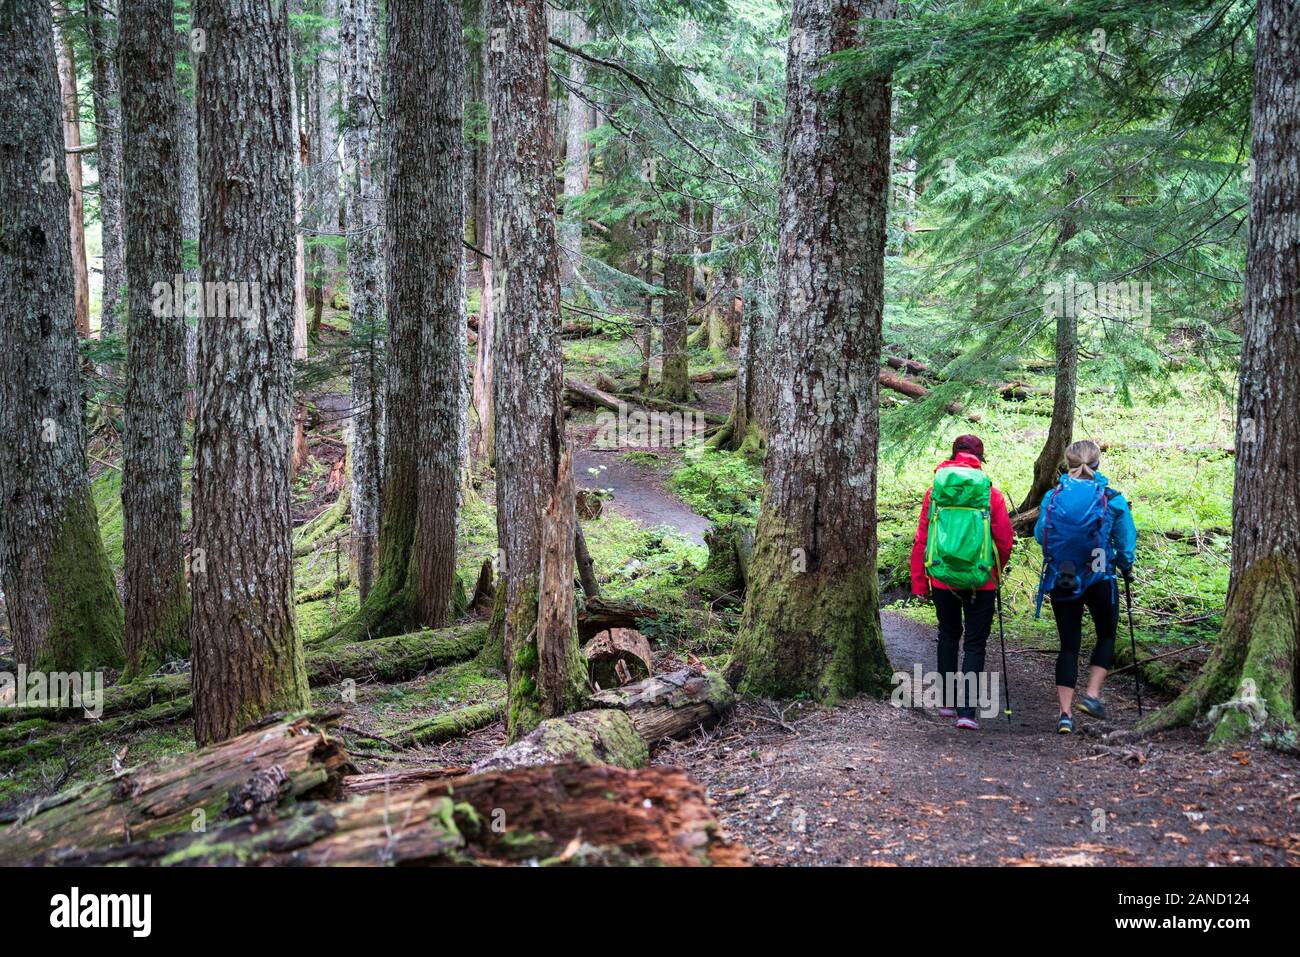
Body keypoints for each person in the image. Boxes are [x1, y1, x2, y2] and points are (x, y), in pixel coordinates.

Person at [910, 435, 1014, 730]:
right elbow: (1004, 541)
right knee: (975, 644)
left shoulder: (935, 492)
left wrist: (920, 582)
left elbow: (922, 539)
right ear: (981, 459)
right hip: (982, 580)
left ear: (952, 455)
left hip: (942, 578)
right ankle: (967, 713)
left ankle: (945, 701)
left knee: (948, 634)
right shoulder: (990, 494)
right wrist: (995, 571)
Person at [1034, 439, 1137, 734]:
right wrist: (1126, 567)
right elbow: (1126, 540)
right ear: (1097, 464)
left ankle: (1065, 715)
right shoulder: (1112, 497)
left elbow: (1042, 535)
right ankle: (1092, 696)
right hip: (1100, 571)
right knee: (1106, 635)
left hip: (1063, 574)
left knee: (1068, 645)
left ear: (1067, 464)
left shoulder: (1053, 496)